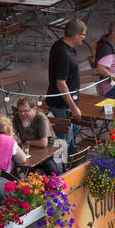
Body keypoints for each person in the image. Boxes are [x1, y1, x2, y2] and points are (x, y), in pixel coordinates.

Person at [46, 19, 86, 154]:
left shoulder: (64, 46)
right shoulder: (63, 53)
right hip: (61, 104)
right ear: (76, 35)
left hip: (69, 102)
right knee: (65, 138)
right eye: (83, 35)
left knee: (73, 131)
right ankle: (61, 168)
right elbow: (61, 83)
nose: (84, 38)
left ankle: (71, 160)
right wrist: (74, 107)